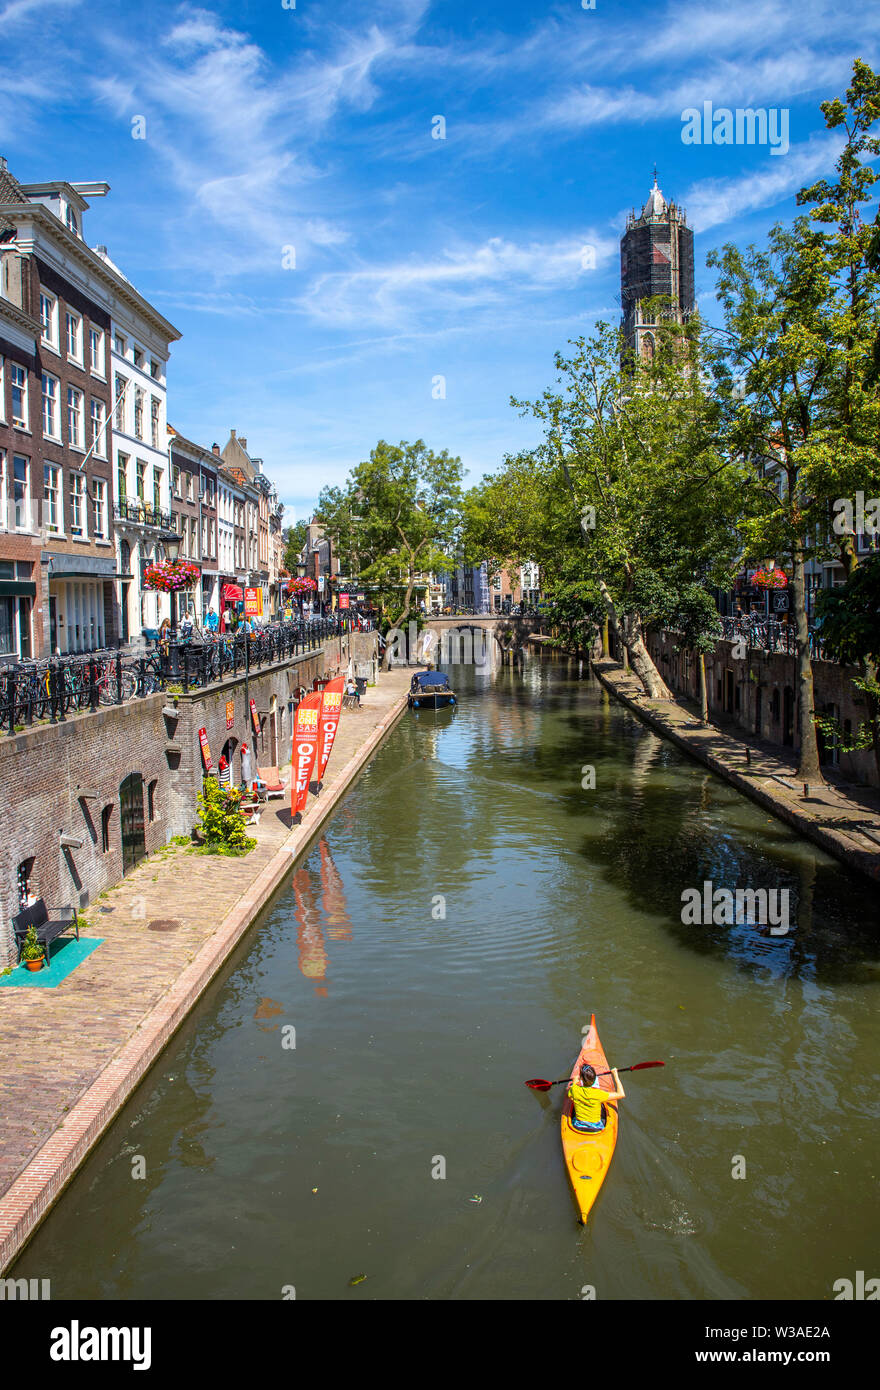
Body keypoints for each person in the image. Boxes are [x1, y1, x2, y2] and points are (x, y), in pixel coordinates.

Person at [567, 1063, 625, 1132]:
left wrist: (575, 1081)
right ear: (595, 1079)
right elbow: (621, 1094)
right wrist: (615, 1075)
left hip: (578, 1125)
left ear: (581, 1079)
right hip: (596, 1127)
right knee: (602, 1105)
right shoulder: (599, 1094)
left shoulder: (574, 1089)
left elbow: (570, 1096)